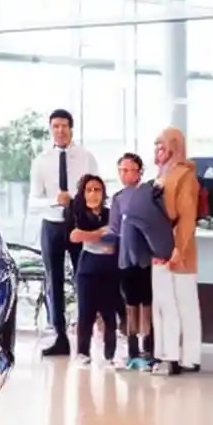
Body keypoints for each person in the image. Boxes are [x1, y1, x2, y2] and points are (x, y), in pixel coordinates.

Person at [29, 109, 99, 357]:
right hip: (52, 225)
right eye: (55, 126)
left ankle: (85, 336)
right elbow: (33, 201)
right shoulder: (41, 161)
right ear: (51, 129)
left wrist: (76, 200)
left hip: (79, 225)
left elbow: (96, 192)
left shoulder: (86, 157)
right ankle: (59, 336)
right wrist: (54, 201)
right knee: (53, 281)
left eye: (64, 126)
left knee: (84, 279)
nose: (60, 130)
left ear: (72, 129)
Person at [150, 127, 202, 376]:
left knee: (183, 304)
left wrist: (179, 249)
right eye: (157, 145)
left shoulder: (184, 175)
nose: (159, 150)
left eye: (164, 146)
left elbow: (187, 216)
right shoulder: (161, 174)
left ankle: (185, 357)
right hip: (160, 249)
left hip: (178, 251)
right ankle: (174, 354)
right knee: (165, 304)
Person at [104, 153, 156, 370]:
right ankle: (132, 349)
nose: (124, 174)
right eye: (121, 170)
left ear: (139, 172)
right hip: (125, 258)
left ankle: (149, 348)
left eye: (129, 170)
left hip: (146, 257)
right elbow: (113, 229)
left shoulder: (149, 194)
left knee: (147, 303)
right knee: (130, 303)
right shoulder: (117, 198)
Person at [66, 174, 121, 368]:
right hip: (88, 270)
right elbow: (75, 235)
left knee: (109, 313)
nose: (93, 193)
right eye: (89, 190)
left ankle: (111, 353)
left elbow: (115, 237)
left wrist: (93, 236)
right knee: (86, 313)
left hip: (110, 269)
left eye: (97, 189)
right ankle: (82, 352)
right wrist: (100, 233)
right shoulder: (78, 214)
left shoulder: (110, 213)